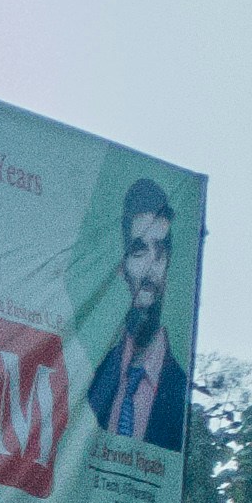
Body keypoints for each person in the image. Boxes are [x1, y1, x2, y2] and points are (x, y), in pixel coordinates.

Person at [82, 179, 187, 452]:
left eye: (161, 252)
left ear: (169, 265)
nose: (151, 267)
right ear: (121, 267)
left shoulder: (181, 391)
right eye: (139, 251)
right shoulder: (93, 381)